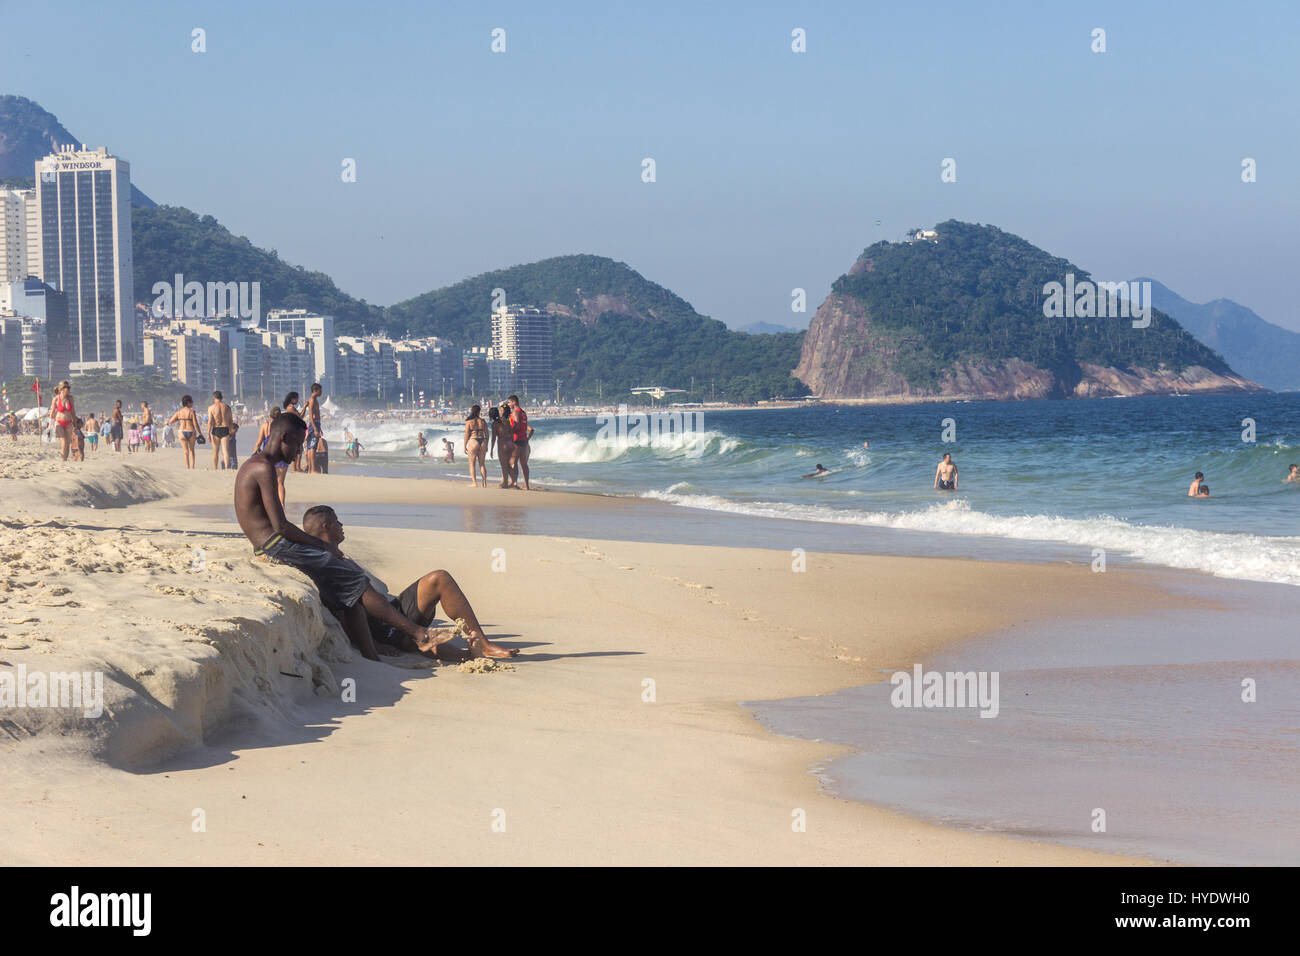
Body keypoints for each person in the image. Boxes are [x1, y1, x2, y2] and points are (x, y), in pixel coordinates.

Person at [233, 415, 459, 662]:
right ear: (284, 437)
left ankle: (374, 649)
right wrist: (322, 546)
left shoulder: (255, 463)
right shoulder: (263, 467)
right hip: (274, 546)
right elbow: (281, 526)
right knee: (352, 577)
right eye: (297, 444)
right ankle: (418, 634)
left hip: (268, 544)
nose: (299, 451)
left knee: (344, 581)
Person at [302, 506, 518, 660]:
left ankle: (484, 643)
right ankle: (468, 656)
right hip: (377, 627)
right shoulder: (326, 563)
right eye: (337, 521)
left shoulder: (335, 554)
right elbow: (346, 610)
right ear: (326, 527)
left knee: (440, 578)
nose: (341, 525)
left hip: (391, 610)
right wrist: (374, 646)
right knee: (411, 642)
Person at [166, 395, 201, 469]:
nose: (192, 403)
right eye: (191, 402)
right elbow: (195, 424)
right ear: (188, 403)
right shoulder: (192, 412)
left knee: (185, 451)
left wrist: (179, 419)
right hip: (191, 431)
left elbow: (170, 421)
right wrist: (200, 433)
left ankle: (187, 467)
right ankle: (192, 467)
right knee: (192, 450)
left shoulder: (179, 412)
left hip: (182, 432)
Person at [507, 394, 534, 490]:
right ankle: (526, 485)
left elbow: (517, 425)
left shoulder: (515, 412)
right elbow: (526, 427)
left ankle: (514, 483)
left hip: (516, 440)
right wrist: (527, 438)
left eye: (509, 402)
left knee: (511, 463)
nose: (508, 404)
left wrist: (509, 432)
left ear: (514, 402)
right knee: (523, 464)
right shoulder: (523, 412)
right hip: (524, 441)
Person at [48, 381, 76, 461]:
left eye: (68, 387)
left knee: (68, 443)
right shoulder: (56, 399)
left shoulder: (70, 398)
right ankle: (63, 459)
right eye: (65, 387)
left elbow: (73, 411)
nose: (67, 389)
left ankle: (65, 459)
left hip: (69, 422)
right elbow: (52, 412)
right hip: (59, 422)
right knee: (63, 441)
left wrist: (75, 423)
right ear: (61, 389)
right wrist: (50, 424)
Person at [489, 405, 517, 488]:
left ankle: (505, 483)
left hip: (502, 444)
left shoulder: (495, 424)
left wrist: (491, 449)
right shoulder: (506, 421)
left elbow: (494, 438)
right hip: (509, 443)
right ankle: (514, 481)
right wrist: (512, 445)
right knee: (507, 465)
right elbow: (511, 433)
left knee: (504, 466)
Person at [208, 390, 234, 470]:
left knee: (215, 451)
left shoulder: (211, 408)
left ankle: (215, 468)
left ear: (214, 398)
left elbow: (210, 422)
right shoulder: (227, 407)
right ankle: (226, 468)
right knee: (225, 451)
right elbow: (230, 420)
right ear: (221, 398)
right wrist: (231, 431)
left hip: (216, 430)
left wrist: (208, 434)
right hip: (225, 429)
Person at [464, 404, 488, 487]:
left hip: (473, 440)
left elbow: (467, 434)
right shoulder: (483, 421)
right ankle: (484, 483)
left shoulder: (469, 422)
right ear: (479, 412)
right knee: (482, 464)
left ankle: (474, 483)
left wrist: (464, 446)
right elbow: (487, 434)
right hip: (483, 440)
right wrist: (487, 444)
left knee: (472, 464)